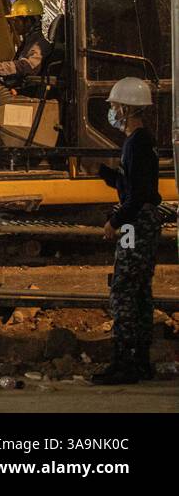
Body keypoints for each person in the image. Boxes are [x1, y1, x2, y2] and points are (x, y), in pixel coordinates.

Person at [91, 77, 161, 385]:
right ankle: (140, 362)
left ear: (128, 108)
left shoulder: (138, 143)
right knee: (140, 292)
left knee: (124, 293)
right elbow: (132, 185)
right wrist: (107, 174)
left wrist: (115, 221)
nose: (113, 111)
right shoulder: (139, 142)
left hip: (136, 225)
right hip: (142, 222)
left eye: (116, 106)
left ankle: (125, 363)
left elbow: (137, 195)